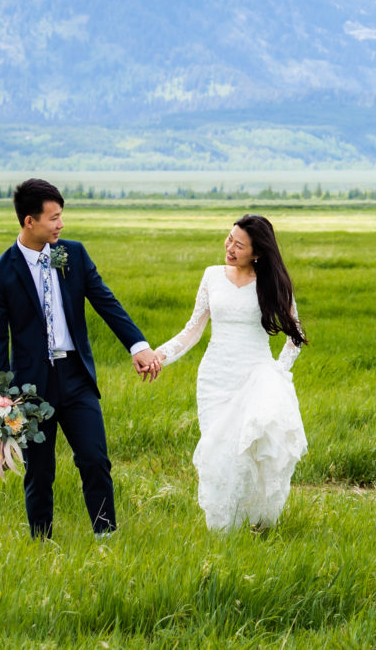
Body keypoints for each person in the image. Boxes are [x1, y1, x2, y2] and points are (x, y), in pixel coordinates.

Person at [0, 179, 162, 537]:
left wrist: (138, 345)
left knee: (95, 460)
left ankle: (105, 535)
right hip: (31, 387)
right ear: (29, 221)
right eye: (54, 218)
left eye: (61, 216)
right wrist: (2, 394)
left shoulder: (73, 254)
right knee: (40, 471)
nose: (61, 225)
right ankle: (41, 542)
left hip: (76, 376)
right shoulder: (0, 271)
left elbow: (104, 301)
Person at [153, 213, 307, 531]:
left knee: (250, 455)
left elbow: (296, 337)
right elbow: (192, 331)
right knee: (219, 454)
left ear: (258, 252)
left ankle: (257, 524)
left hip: (256, 379)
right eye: (229, 239)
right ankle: (223, 531)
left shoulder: (273, 282)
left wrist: (276, 375)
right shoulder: (211, 276)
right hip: (214, 380)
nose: (230, 247)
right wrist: (158, 356)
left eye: (239, 245)